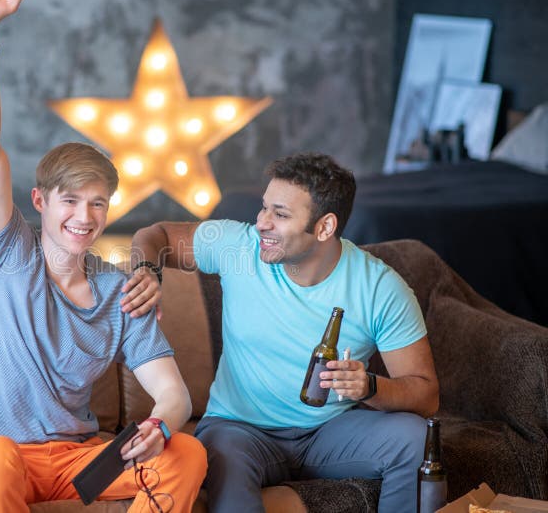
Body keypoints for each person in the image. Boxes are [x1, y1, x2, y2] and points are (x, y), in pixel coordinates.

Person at [0, 0, 207, 511]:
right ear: (39, 200)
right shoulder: (3, 251)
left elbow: (176, 396)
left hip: (77, 460)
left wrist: (159, 425)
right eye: (70, 201)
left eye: (98, 203)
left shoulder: (120, 292)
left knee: (188, 454)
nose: (84, 217)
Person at [127, 152, 440, 512]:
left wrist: (369, 386)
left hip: (330, 431)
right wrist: (147, 270)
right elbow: (156, 234)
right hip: (237, 429)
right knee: (223, 459)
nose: (261, 223)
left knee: (413, 439)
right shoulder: (238, 247)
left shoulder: (380, 287)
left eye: (280, 214)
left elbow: (425, 394)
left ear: (324, 227)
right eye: (263, 208)